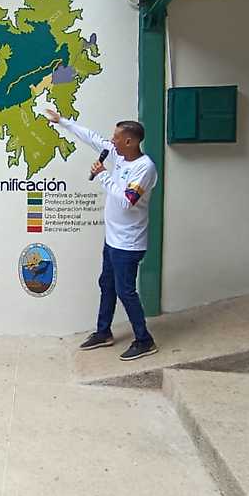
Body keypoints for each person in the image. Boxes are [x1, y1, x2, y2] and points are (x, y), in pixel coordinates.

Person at [44, 108, 159, 361]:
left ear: (130, 141)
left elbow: (128, 200)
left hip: (128, 243)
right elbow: (92, 137)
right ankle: (103, 332)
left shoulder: (145, 168)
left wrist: (103, 175)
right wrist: (62, 121)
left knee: (125, 291)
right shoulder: (119, 154)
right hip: (112, 239)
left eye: (116, 137)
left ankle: (144, 340)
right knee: (106, 284)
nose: (111, 140)